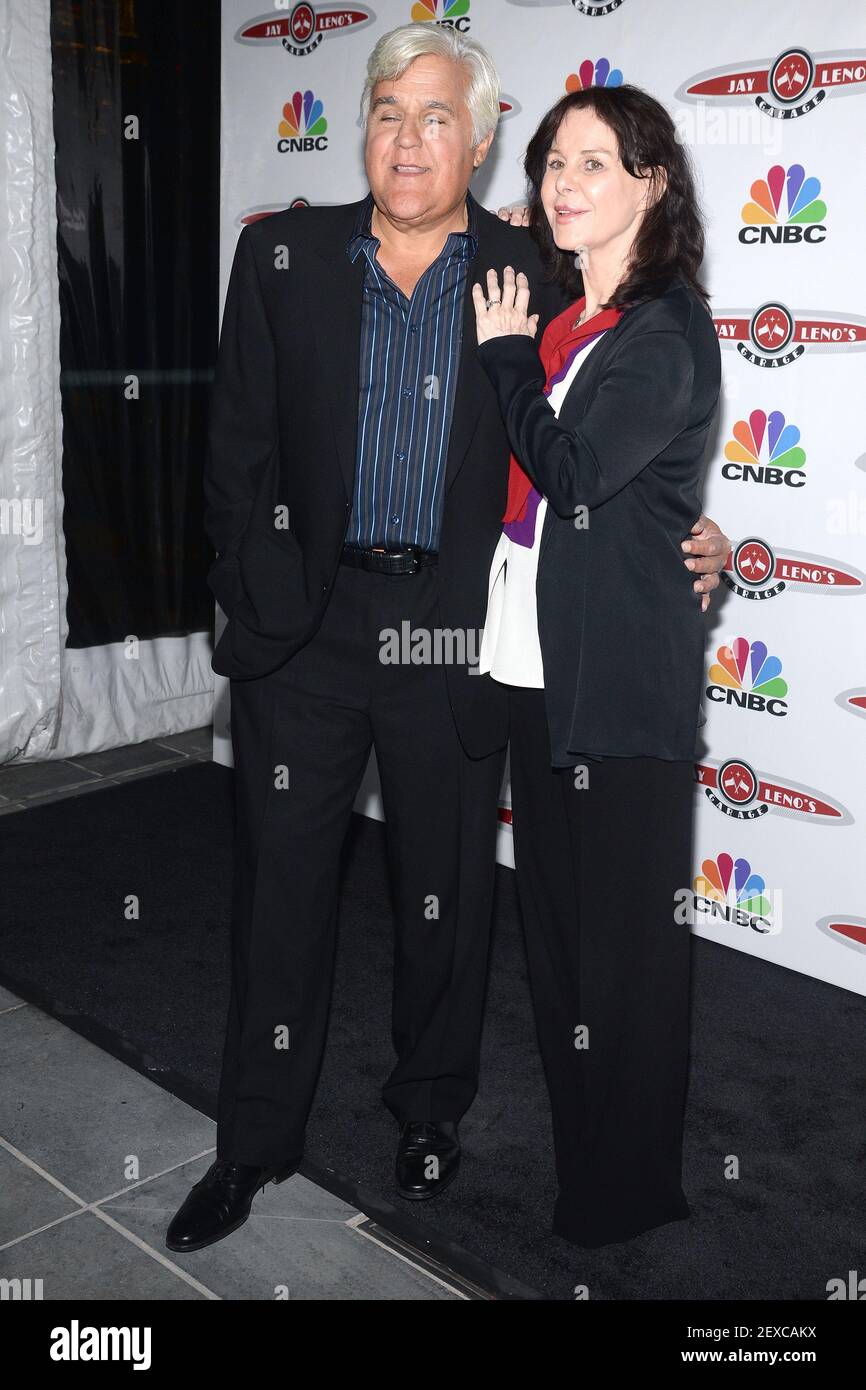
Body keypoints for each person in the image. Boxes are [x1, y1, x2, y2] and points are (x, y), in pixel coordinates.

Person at [166, 26, 727, 1254]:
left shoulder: (540, 261)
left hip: (450, 632)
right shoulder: (279, 256)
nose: (405, 139)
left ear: (479, 144)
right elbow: (233, 453)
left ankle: (430, 1111)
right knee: (279, 900)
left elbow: (618, 411)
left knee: (445, 901)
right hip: (306, 635)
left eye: (435, 118)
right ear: (358, 126)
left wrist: (701, 532)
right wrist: (247, 598)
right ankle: (251, 1143)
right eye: (384, 112)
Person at [473, 82, 722, 1247]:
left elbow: (572, 474)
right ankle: (585, 1157)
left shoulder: (663, 329)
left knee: (623, 959)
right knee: (560, 943)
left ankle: (627, 1192)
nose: (561, 184)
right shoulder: (565, 318)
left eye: (591, 163)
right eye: (549, 163)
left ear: (650, 184)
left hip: (618, 685)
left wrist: (508, 356)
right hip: (533, 666)